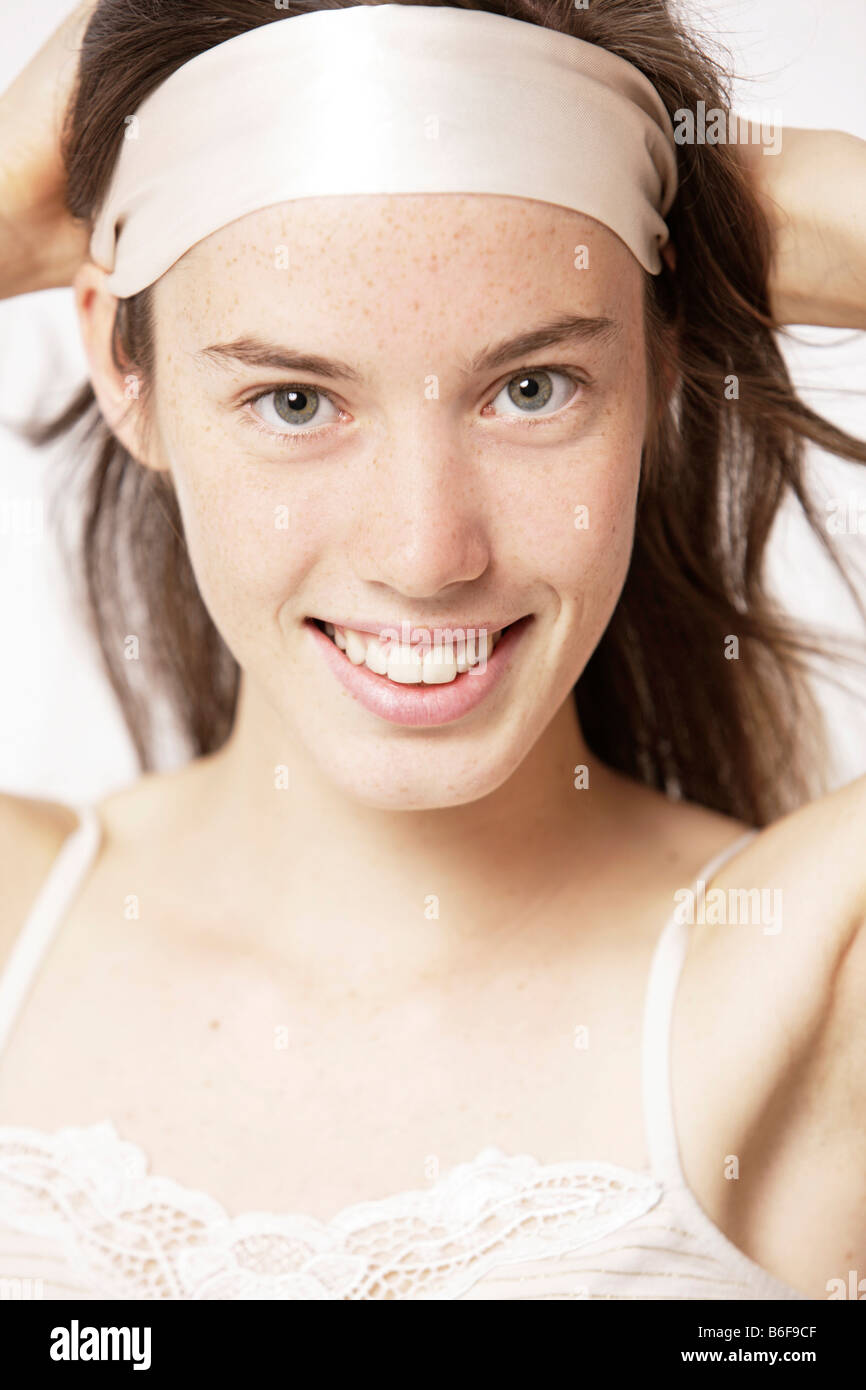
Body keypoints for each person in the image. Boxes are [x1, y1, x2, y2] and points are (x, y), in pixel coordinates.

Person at [0, 0, 864, 1302]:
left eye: (531, 388)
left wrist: (746, 200)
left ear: (661, 367)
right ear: (131, 379)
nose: (425, 551)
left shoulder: (816, 977)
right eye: (294, 400)